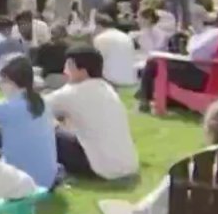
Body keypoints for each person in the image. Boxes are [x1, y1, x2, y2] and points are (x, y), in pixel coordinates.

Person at [45, 47, 140, 180]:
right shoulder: (107, 88)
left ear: (82, 71)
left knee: (46, 128)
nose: (64, 72)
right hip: (128, 164)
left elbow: (35, 108)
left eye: (69, 66)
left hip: (99, 167)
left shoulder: (72, 93)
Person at [0, 55, 59, 189]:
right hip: (47, 179)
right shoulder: (42, 102)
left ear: (5, 79)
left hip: (21, 182)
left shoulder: (7, 108)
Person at [92, 14, 138, 87]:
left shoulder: (100, 38)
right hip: (131, 81)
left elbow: (95, 64)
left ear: (98, 26)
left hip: (113, 84)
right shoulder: (126, 36)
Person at [34, 24, 70, 91]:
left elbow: (37, 64)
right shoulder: (70, 49)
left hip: (48, 80)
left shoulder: (44, 48)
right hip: (66, 80)